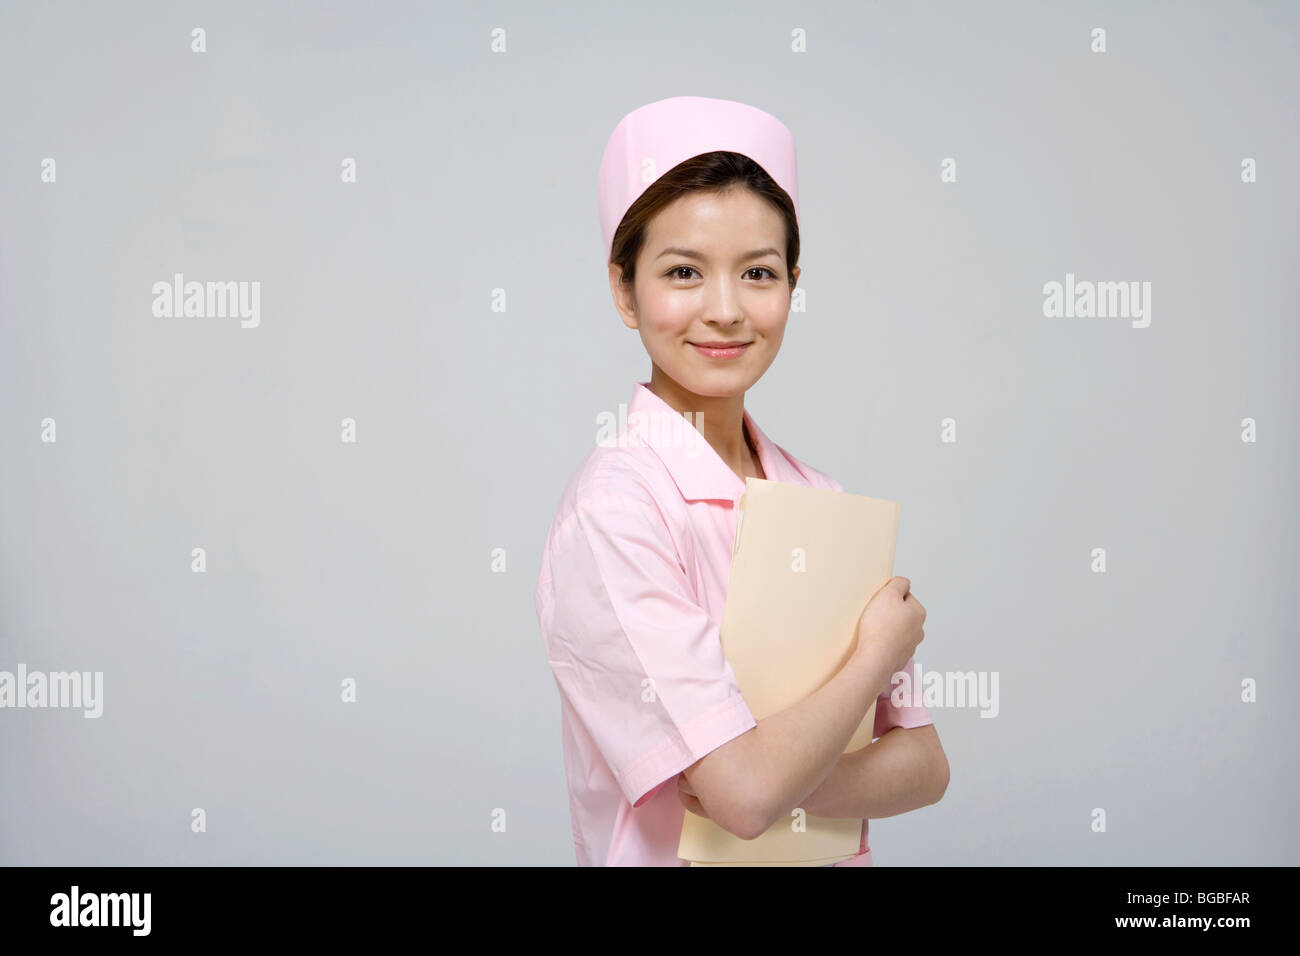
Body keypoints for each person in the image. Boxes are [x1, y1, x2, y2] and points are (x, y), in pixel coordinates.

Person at [534, 95, 949, 867]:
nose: (725, 311)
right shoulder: (615, 510)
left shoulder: (820, 498)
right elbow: (743, 798)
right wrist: (871, 658)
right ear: (625, 291)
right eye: (683, 271)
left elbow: (925, 767)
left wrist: (775, 771)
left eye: (757, 272)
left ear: (793, 282)